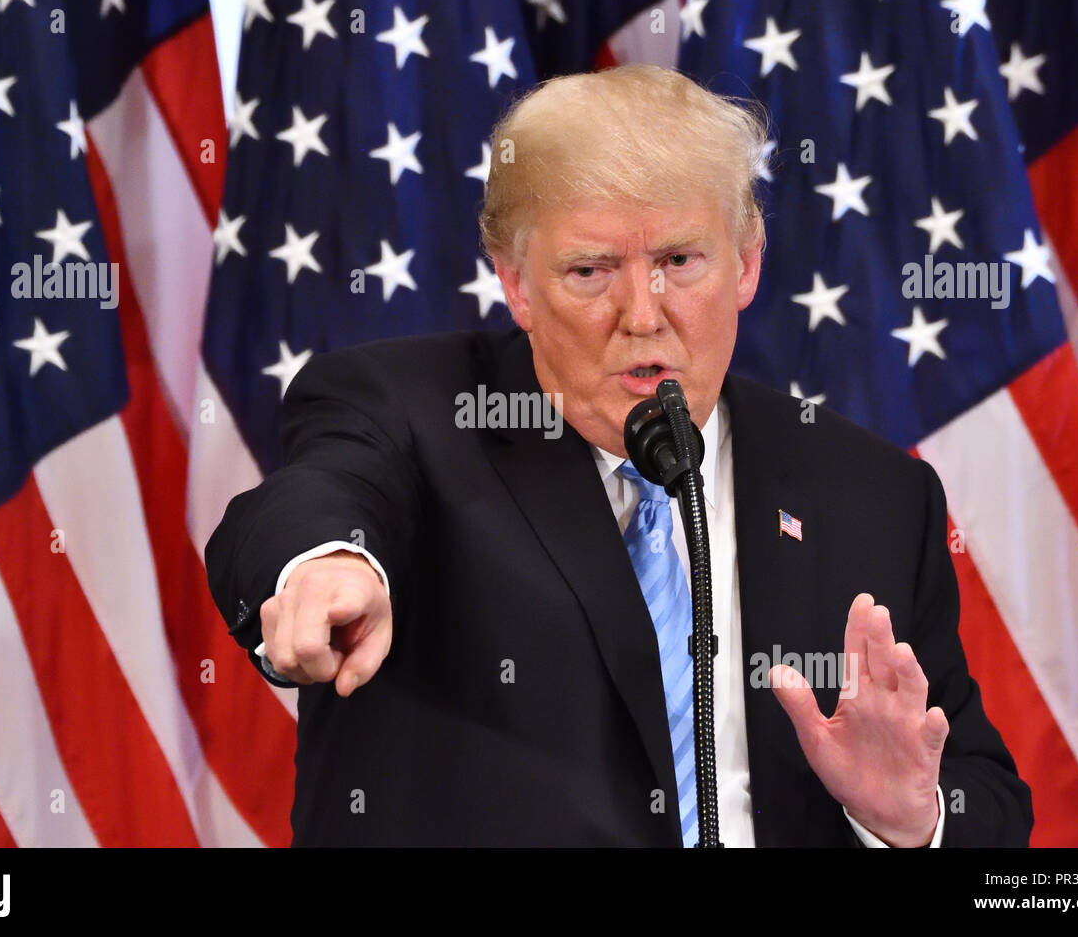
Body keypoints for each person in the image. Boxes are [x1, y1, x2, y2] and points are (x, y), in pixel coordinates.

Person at [204, 64, 1032, 847]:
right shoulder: (407, 410)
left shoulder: (873, 494)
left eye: (680, 260)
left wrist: (908, 819)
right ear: (518, 285)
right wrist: (329, 562)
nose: (644, 313)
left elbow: (987, 803)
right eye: (592, 270)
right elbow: (319, 494)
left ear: (746, 261)